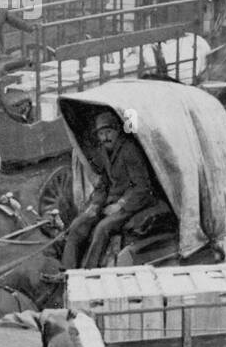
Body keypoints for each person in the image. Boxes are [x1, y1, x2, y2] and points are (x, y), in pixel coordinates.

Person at [61, 110, 161, 270]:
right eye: (101, 133)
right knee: (78, 224)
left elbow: (142, 187)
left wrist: (120, 204)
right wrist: (95, 205)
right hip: (111, 202)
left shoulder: (129, 151)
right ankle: (66, 270)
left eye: (109, 132)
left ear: (117, 132)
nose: (105, 137)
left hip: (135, 203)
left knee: (102, 228)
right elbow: (103, 184)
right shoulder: (105, 152)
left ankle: (88, 272)